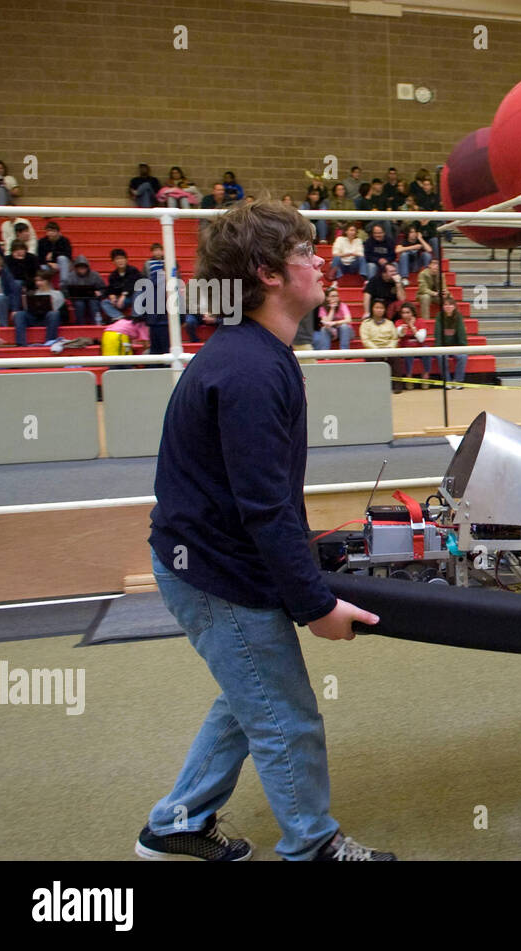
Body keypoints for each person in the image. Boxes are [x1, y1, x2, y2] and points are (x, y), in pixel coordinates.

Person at [138, 199, 393, 862]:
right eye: (307, 252)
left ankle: (175, 821)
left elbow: (267, 498)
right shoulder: (250, 369)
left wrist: (303, 576)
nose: (321, 261)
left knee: (249, 695)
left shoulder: (257, 353)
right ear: (269, 273)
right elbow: (265, 506)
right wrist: (313, 603)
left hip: (212, 562)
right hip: (214, 574)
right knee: (287, 714)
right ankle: (312, 844)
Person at [360, 297, 404, 393]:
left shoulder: (389, 323)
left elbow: (394, 338)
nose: (379, 310)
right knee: (374, 358)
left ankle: (397, 386)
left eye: (381, 308)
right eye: (377, 307)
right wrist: (377, 350)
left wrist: (389, 348)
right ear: (372, 308)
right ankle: (378, 387)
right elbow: (366, 340)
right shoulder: (365, 323)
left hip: (388, 348)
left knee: (395, 358)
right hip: (373, 350)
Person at [13, 267, 64, 347]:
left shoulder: (57, 294)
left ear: (47, 281)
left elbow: (56, 310)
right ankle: (21, 344)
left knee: (54, 314)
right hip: (34, 317)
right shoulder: (32, 294)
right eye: (37, 281)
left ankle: (49, 343)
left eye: (41, 280)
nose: (38, 283)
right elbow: (27, 309)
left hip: (48, 319)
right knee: (19, 314)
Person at [433, 293, 468, 388]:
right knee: (441, 356)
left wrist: (462, 348)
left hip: (456, 346)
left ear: (454, 306)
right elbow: (438, 334)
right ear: (443, 306)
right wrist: (439, 348)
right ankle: (447, 381)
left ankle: (458, 380)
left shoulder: (458, 316)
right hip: (443, 347)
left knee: (463, 356)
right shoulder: (439, 316)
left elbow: (461, 333)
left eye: (450, 305)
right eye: (446, 305)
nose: (448, 307)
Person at [62, 255, 108, 324]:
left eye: (83, 268)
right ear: (76, 268)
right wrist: (70, 295)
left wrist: (100, 293)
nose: (82, 270)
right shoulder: (70, 277)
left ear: (87, 267)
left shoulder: (95, 275)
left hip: (93, 298)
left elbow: (103, 288)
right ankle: (80, 324)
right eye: (80, 268)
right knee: (79, 304)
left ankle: (96, 323)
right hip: (77, 298)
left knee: (93, 303)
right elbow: (64, 290)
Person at [393, 300, 430, 387]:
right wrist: (402, 330)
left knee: (427, 350)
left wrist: (412, 327)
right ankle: (409, 376)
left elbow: (421, 339)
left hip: (419, 348)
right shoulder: (399, 322)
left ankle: (425, 375)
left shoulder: (420, 321)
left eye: (408, 312)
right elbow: (399, 334)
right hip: (406, 348)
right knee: (408, 352)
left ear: (413, 313)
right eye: (403, 313)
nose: (405, 315)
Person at [314, 286, 354, 352]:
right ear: (327, 298)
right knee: (324, 329)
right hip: (331, 331)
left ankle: (345, 353)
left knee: (344, 326)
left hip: (346, 332)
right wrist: (332, 309)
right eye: (332, 296)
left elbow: (349, 320)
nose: (335, 298)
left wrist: (335, 323)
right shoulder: (322, 308)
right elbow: (326, 322)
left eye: (336, 296)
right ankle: (325, 354)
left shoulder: (342, 305)